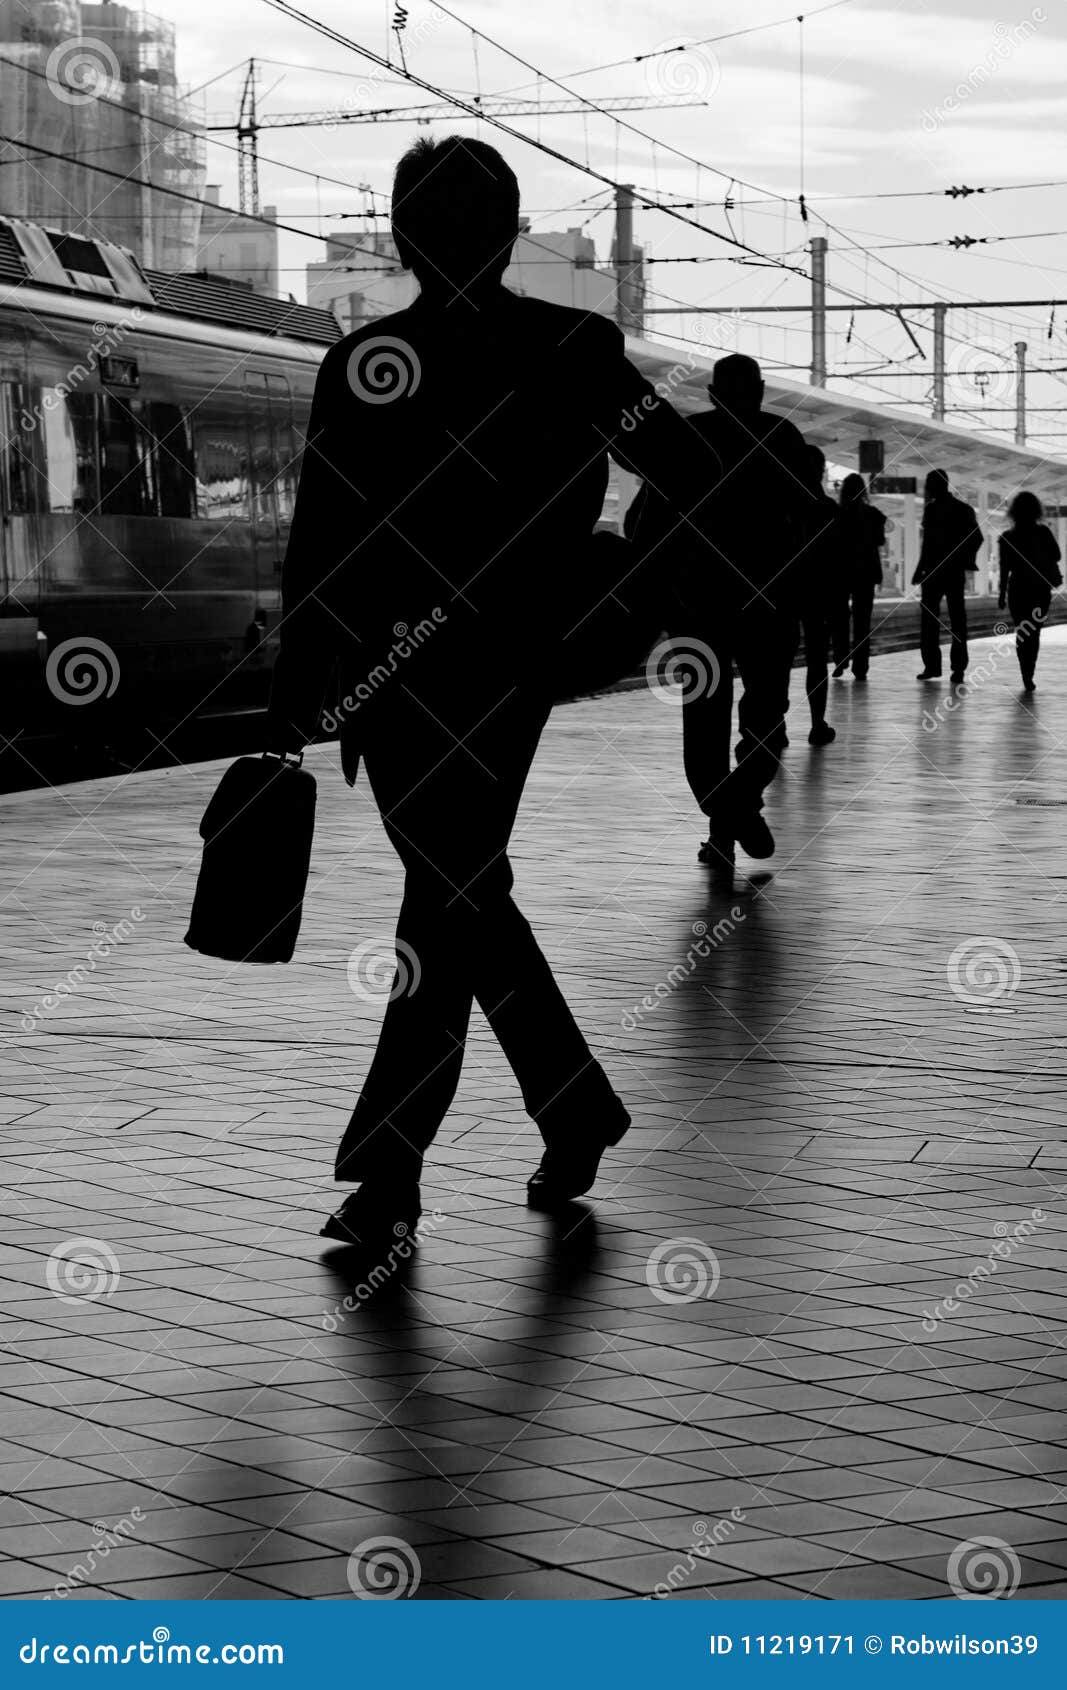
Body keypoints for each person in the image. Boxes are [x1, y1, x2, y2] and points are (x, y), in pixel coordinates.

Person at [267, 136, 721, 1250]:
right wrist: (623, 578)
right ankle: (569, 1110)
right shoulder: (569, 348)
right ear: (507, 234)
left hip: (398, 673)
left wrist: (298, 692)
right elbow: (687, 469)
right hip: (509, 664)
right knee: (460, 894)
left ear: (400, 234)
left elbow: (321, 542)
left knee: (447, 894)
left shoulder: (365, 363)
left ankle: (392, 1175)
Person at [627, 353, 809, 881]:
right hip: (769, 602)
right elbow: (810, 516)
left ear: (711, 393)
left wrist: (649, 586)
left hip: (696, 602)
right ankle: (740, 807)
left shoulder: (688, 437)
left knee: (704, 720)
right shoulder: (782, 436)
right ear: (761, 389)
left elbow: (645, 520)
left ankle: (727, 820)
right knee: (766, 717)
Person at [914, 468, 984, 682]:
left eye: (929, 485)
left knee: (929, 620)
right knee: (957, 620)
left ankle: (932, 666)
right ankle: (958, 668)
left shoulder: (932, 510)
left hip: (933, 572)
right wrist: (965, 560)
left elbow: (927, 544)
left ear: (937, 485)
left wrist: (920, 569)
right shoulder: (964, 509)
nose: (927, 489)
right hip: (954, 572)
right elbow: (977, 538)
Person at [998, 491, 1062, 690]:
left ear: (1014, 511)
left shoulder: (1007, 537)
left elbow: (1004, 568)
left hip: (1017, 589)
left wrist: (1001, 594)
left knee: (1022, 631)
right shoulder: (1043, 532)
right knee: (1034, 632)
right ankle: (1029, 672)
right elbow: (1057, 556)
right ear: (1036, 510)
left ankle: (1025, 671)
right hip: (1040, 589)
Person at [798, 445, 840, 745]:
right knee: (816, 660)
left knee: (773, 662)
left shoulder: (781, 506)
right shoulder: (828, 509)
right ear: (821, 471)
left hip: (782, 593)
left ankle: (774, 728)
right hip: (818, 593)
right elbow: (839, 558)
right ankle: (817, 724)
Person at [832, 472, 886, 683]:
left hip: (841, 572)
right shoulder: (873, 514)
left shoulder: (837, 514)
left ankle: (840, 660)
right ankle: (860, 667)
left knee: (839, 618)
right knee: (862, 621)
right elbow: (880, 540)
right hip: (866, 573)